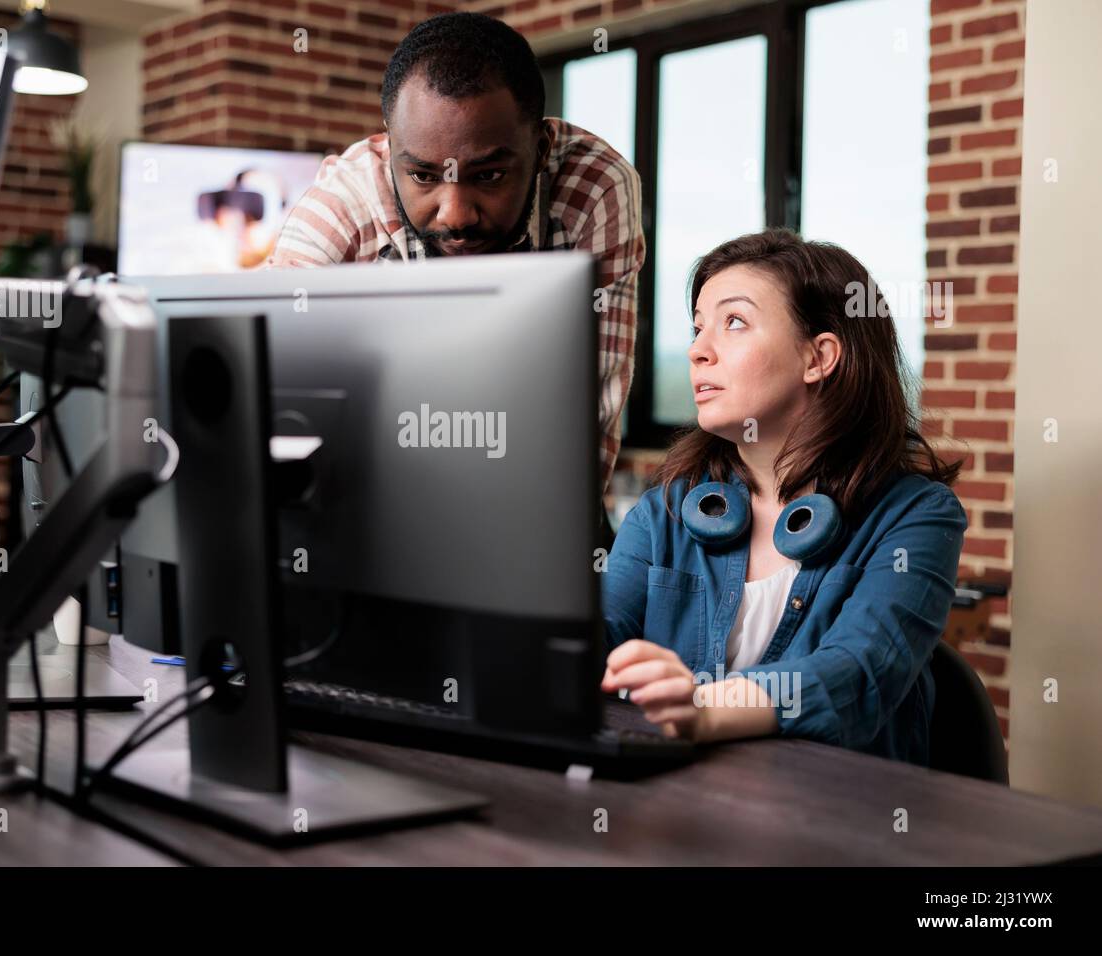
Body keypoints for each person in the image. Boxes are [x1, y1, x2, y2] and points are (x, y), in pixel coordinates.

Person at [601, 228, 967, 766]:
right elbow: (599, 635)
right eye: (698, 327)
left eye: (734, 322)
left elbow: (859, 672)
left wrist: (701, 707)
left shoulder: (916, 516)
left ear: (818, 357)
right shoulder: (665, 511)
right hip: (686, 811)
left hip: (840, 823)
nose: (698, 350)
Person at [265, 12, 645, 492]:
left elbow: (587, 423)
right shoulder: (343, 202)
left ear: (542, 146)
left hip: (531, 495)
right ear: (390, 146)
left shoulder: (595, 189)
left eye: (488, 176)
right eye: (424, 176)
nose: (455, 215)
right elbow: (264, 388)